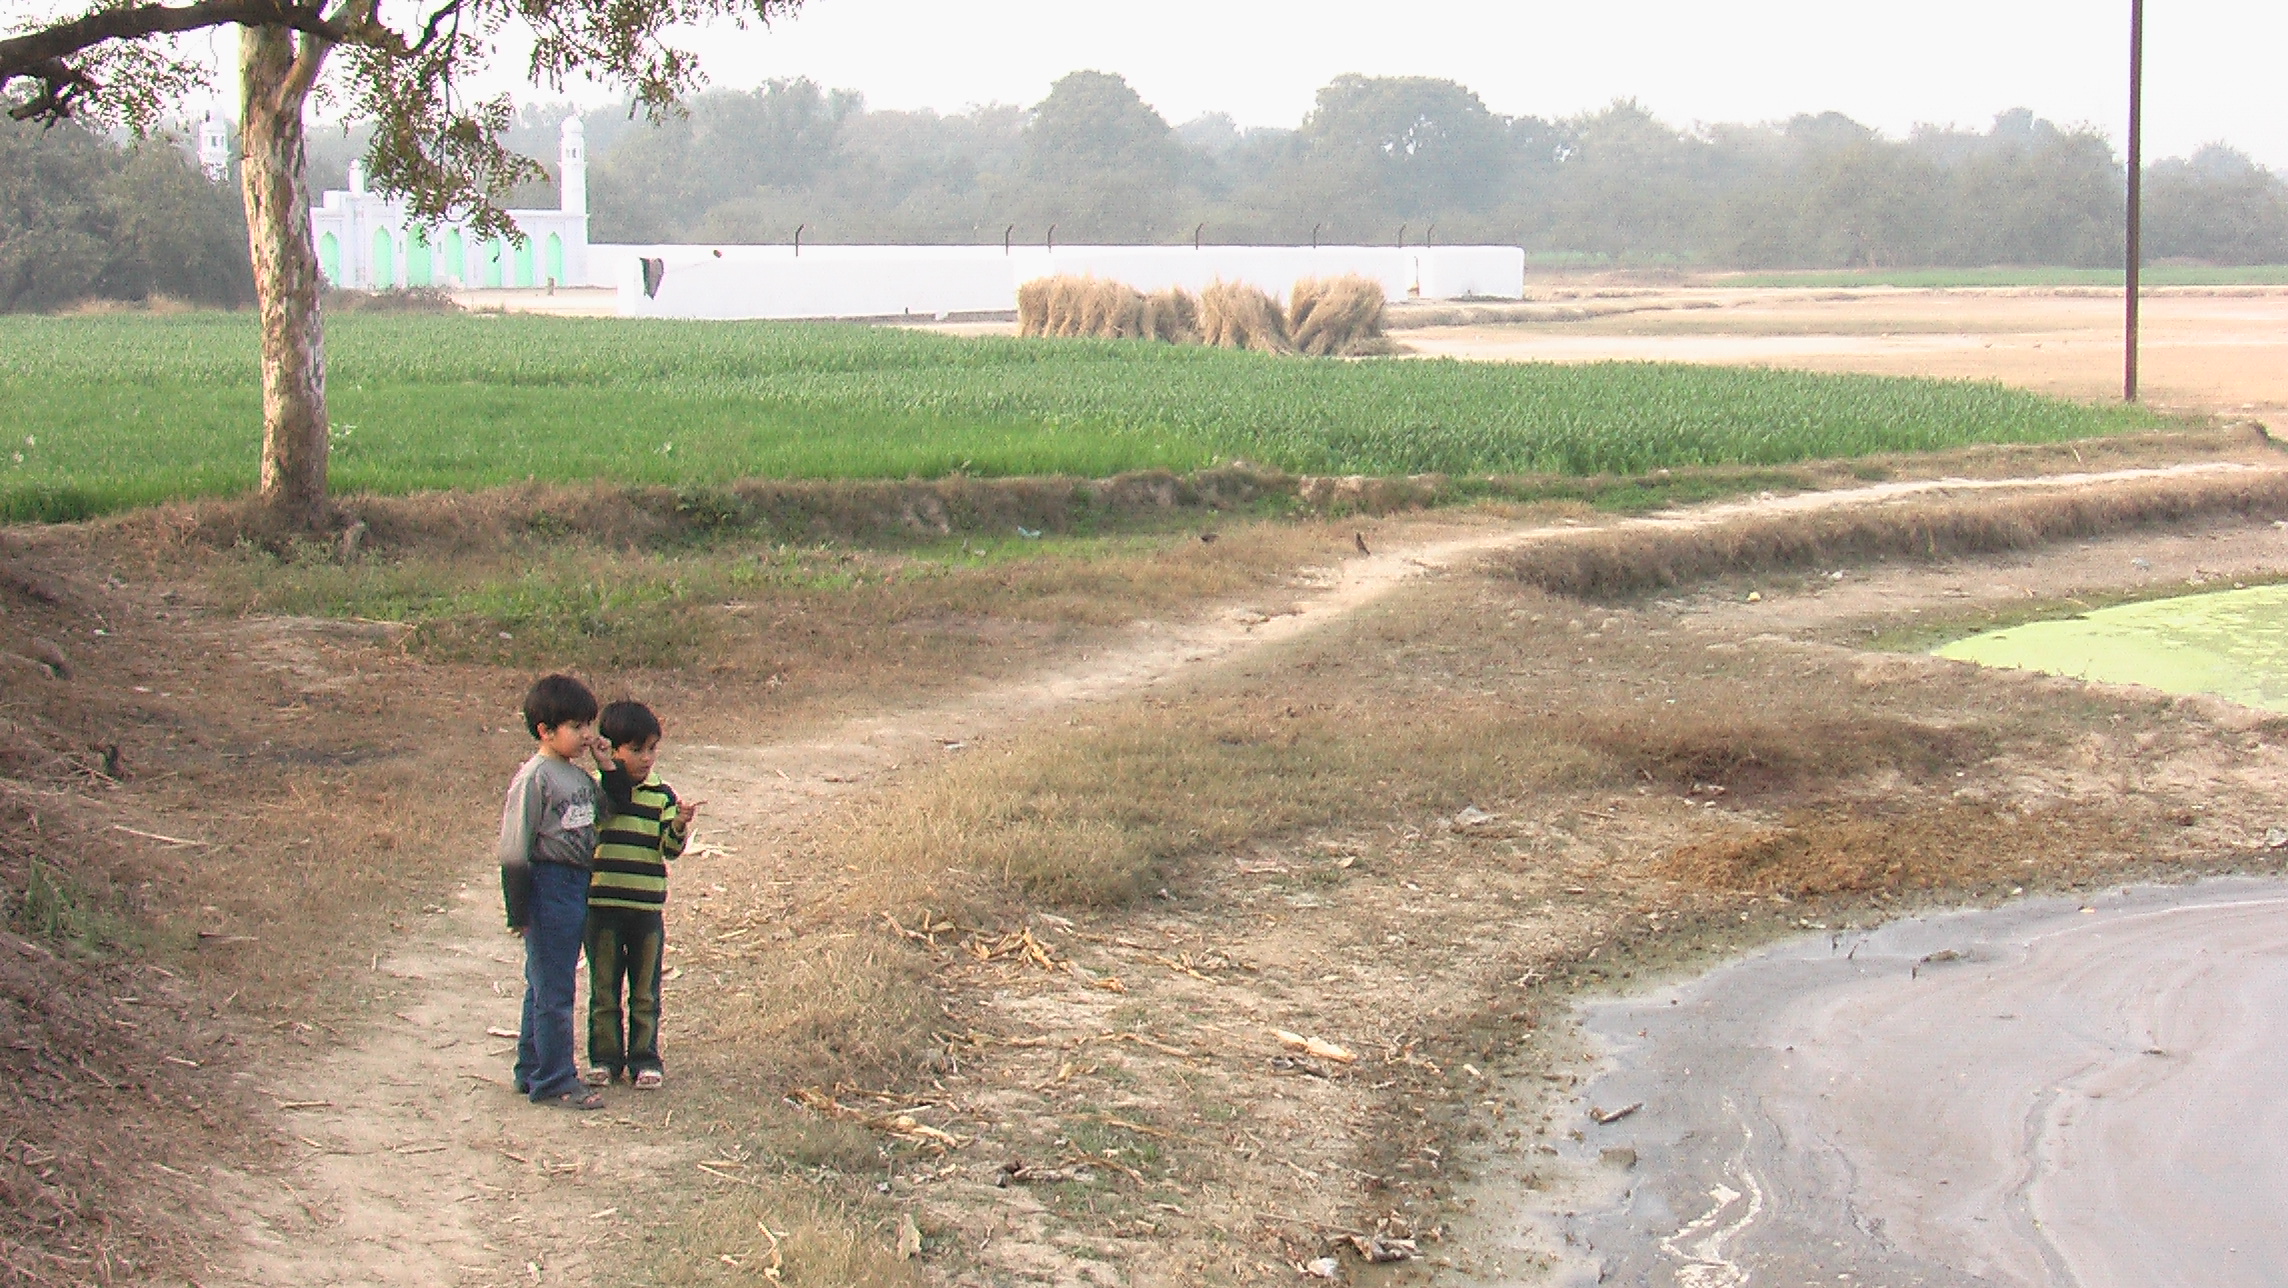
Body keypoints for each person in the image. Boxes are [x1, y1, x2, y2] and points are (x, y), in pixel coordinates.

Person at [498, 674, 612, 1110]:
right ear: (546, 730)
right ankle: (556, 1080)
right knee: (555, 988)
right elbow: (514, 844)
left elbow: (611, 808)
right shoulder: (536, 778)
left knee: (544, 983)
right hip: (548, 882)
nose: (587, 736)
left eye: (589, 725)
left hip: (575, 883)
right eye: (577, 727)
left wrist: (606, 765)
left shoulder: (577, 777)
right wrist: (519, 907)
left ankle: (532, 1069)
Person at [584, 700, 701, 1089]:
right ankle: (604, 1058)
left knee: (645, 990)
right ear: (612, 749)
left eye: (651, 748)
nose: (646, 758)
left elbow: (668, 849)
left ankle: (645, 1058)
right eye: (635, 750)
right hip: (601, 906)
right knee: (604, 989)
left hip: (646, 908)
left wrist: (680, 825)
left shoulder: (662, 796)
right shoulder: (601, 793)